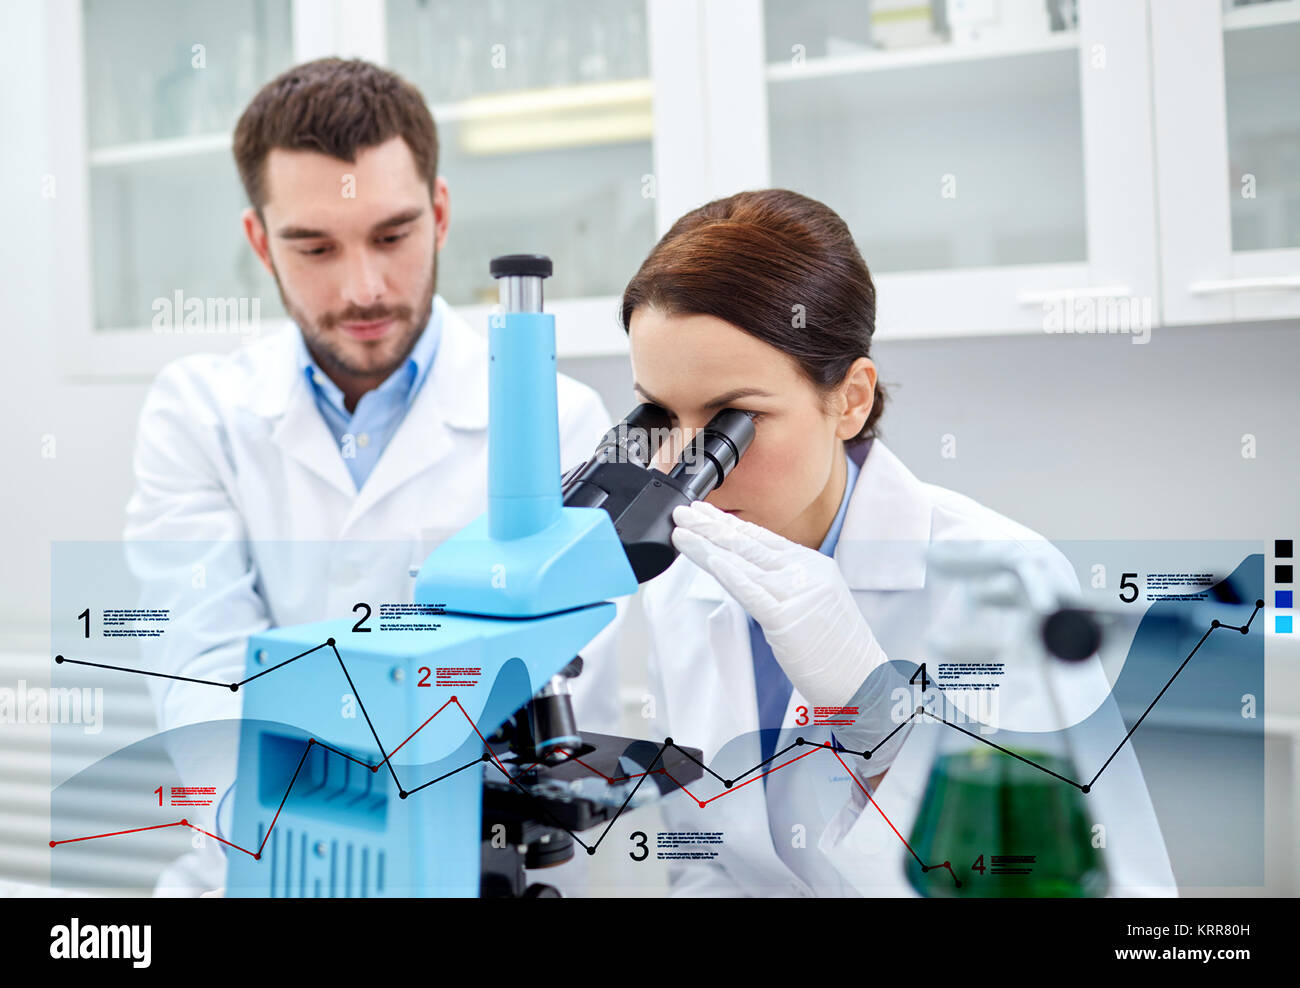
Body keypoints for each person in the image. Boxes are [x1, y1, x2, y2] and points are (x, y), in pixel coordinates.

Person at [120, 58, 625, 896]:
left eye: (392, 236)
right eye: (314, 246)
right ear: (259, 242)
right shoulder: (198, 415)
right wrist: (322, 838)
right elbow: (202, 673)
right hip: (256, 867)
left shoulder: (558, 421)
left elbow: (555, 700)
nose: (363, 288)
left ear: (440, 213)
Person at [624, 189, 1177, 897]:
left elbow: (1103, 887)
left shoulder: (1002, 581)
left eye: (735, 419)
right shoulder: (678, 578)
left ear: (850, 398)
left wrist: (878, 720)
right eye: (661, 415)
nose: (689, 465)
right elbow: (705, 859)